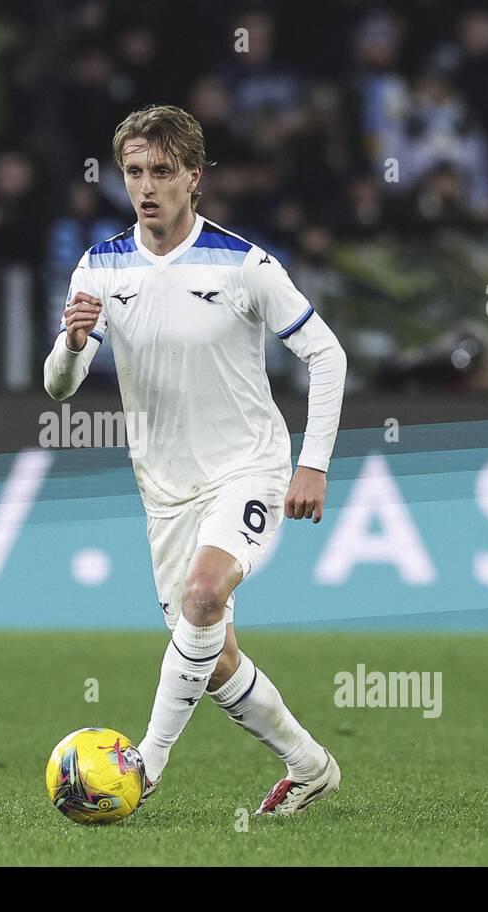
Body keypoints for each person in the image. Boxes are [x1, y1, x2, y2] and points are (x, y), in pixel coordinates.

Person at [43, 105, 347, 815]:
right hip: (166, 489)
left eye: (162, 172)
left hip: (249, 465)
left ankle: (144, 765)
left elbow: (326, 355)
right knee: (213, 655)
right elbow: (60, 388)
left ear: (194, 177)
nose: (147, 187)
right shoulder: (100, 266)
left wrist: (314, 462)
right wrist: (74, 343)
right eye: (134, 172)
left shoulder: (244, 264)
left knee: (203, 597)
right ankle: (310, 765)